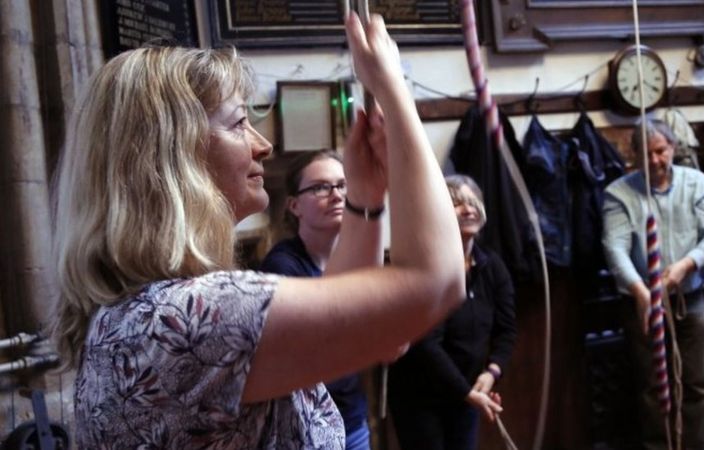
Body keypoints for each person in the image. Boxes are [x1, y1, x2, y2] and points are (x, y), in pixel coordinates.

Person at [49, 13, 465, 450]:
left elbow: (355, 326)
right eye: (237, 123)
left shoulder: (142, 318)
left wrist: (363, 198)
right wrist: (394, 90)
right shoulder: (189, 319)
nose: (263, 145)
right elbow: (434, 285)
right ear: (172, 154)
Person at [601, 118, 704, 450]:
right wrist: (641, 291)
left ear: (672, 147)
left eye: (660, 150)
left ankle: (695, 445)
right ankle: (660, 445)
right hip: (641, 302)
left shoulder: (697, 184)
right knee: (652, 384)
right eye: (646, 153)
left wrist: (685, 265)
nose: (654, 160)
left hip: (690, 298)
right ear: (633, 154)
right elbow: (615, 248)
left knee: (696, 383)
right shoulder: (618, 193)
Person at [388, 174, 516, 450]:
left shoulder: (492, 266)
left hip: (466, 393)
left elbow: (506, 330)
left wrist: (492, 372)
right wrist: (466, 392)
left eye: (473, 202)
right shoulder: (425, 264)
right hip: (420, 396)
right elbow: (425, 342)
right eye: (457, 202)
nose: (468, 209)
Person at [260, 149, 372, 450]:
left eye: (342, 185)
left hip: (352, 419)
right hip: (306, 428)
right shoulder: (282, 266)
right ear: (294, 205)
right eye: (321, 187)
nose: (336, 195)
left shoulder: (353, 256)